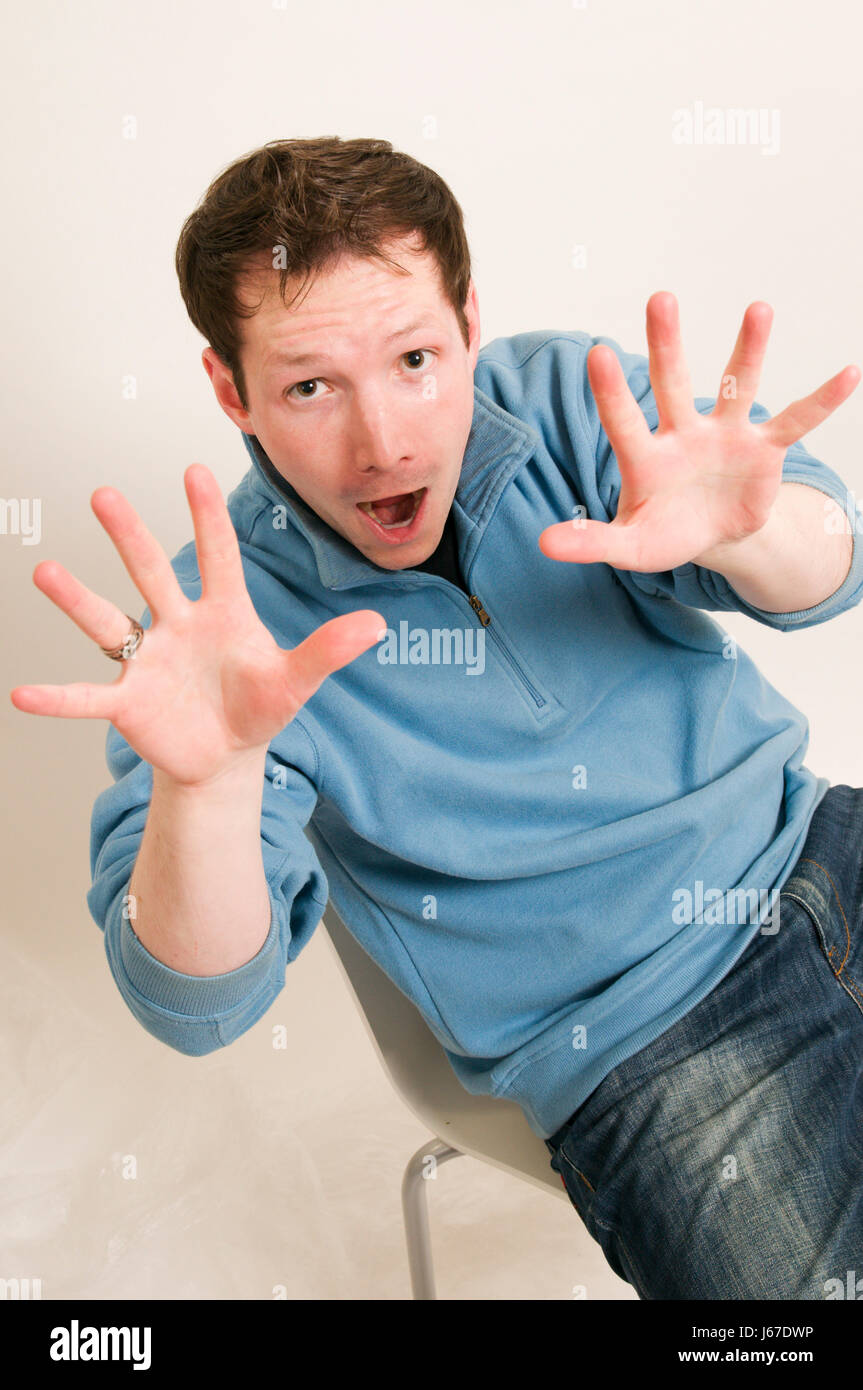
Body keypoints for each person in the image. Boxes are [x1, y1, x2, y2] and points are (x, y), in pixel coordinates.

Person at [11, 137, 863, 1300]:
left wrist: (751, 533)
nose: (386, 444)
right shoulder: (215, 635)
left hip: (822, 848)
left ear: (467, 322)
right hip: (645, 1040)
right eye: (310, 387)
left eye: (415, 359)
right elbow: (196, 1007)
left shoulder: (563, 396)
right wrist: (206, 788)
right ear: (230, 388)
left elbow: (829, 566)